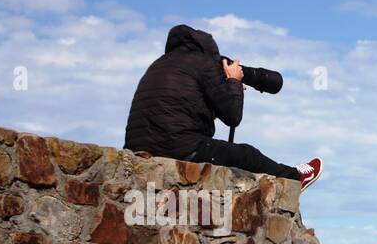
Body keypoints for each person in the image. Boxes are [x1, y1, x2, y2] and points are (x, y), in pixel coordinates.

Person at [124, 24, 321, 191]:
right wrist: (234, 82)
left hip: (138, 147)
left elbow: (185, 107)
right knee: (246, 154)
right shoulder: (205, 63)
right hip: (178, 146)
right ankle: (295, 177)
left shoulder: (159, 64)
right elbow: (232, 116)